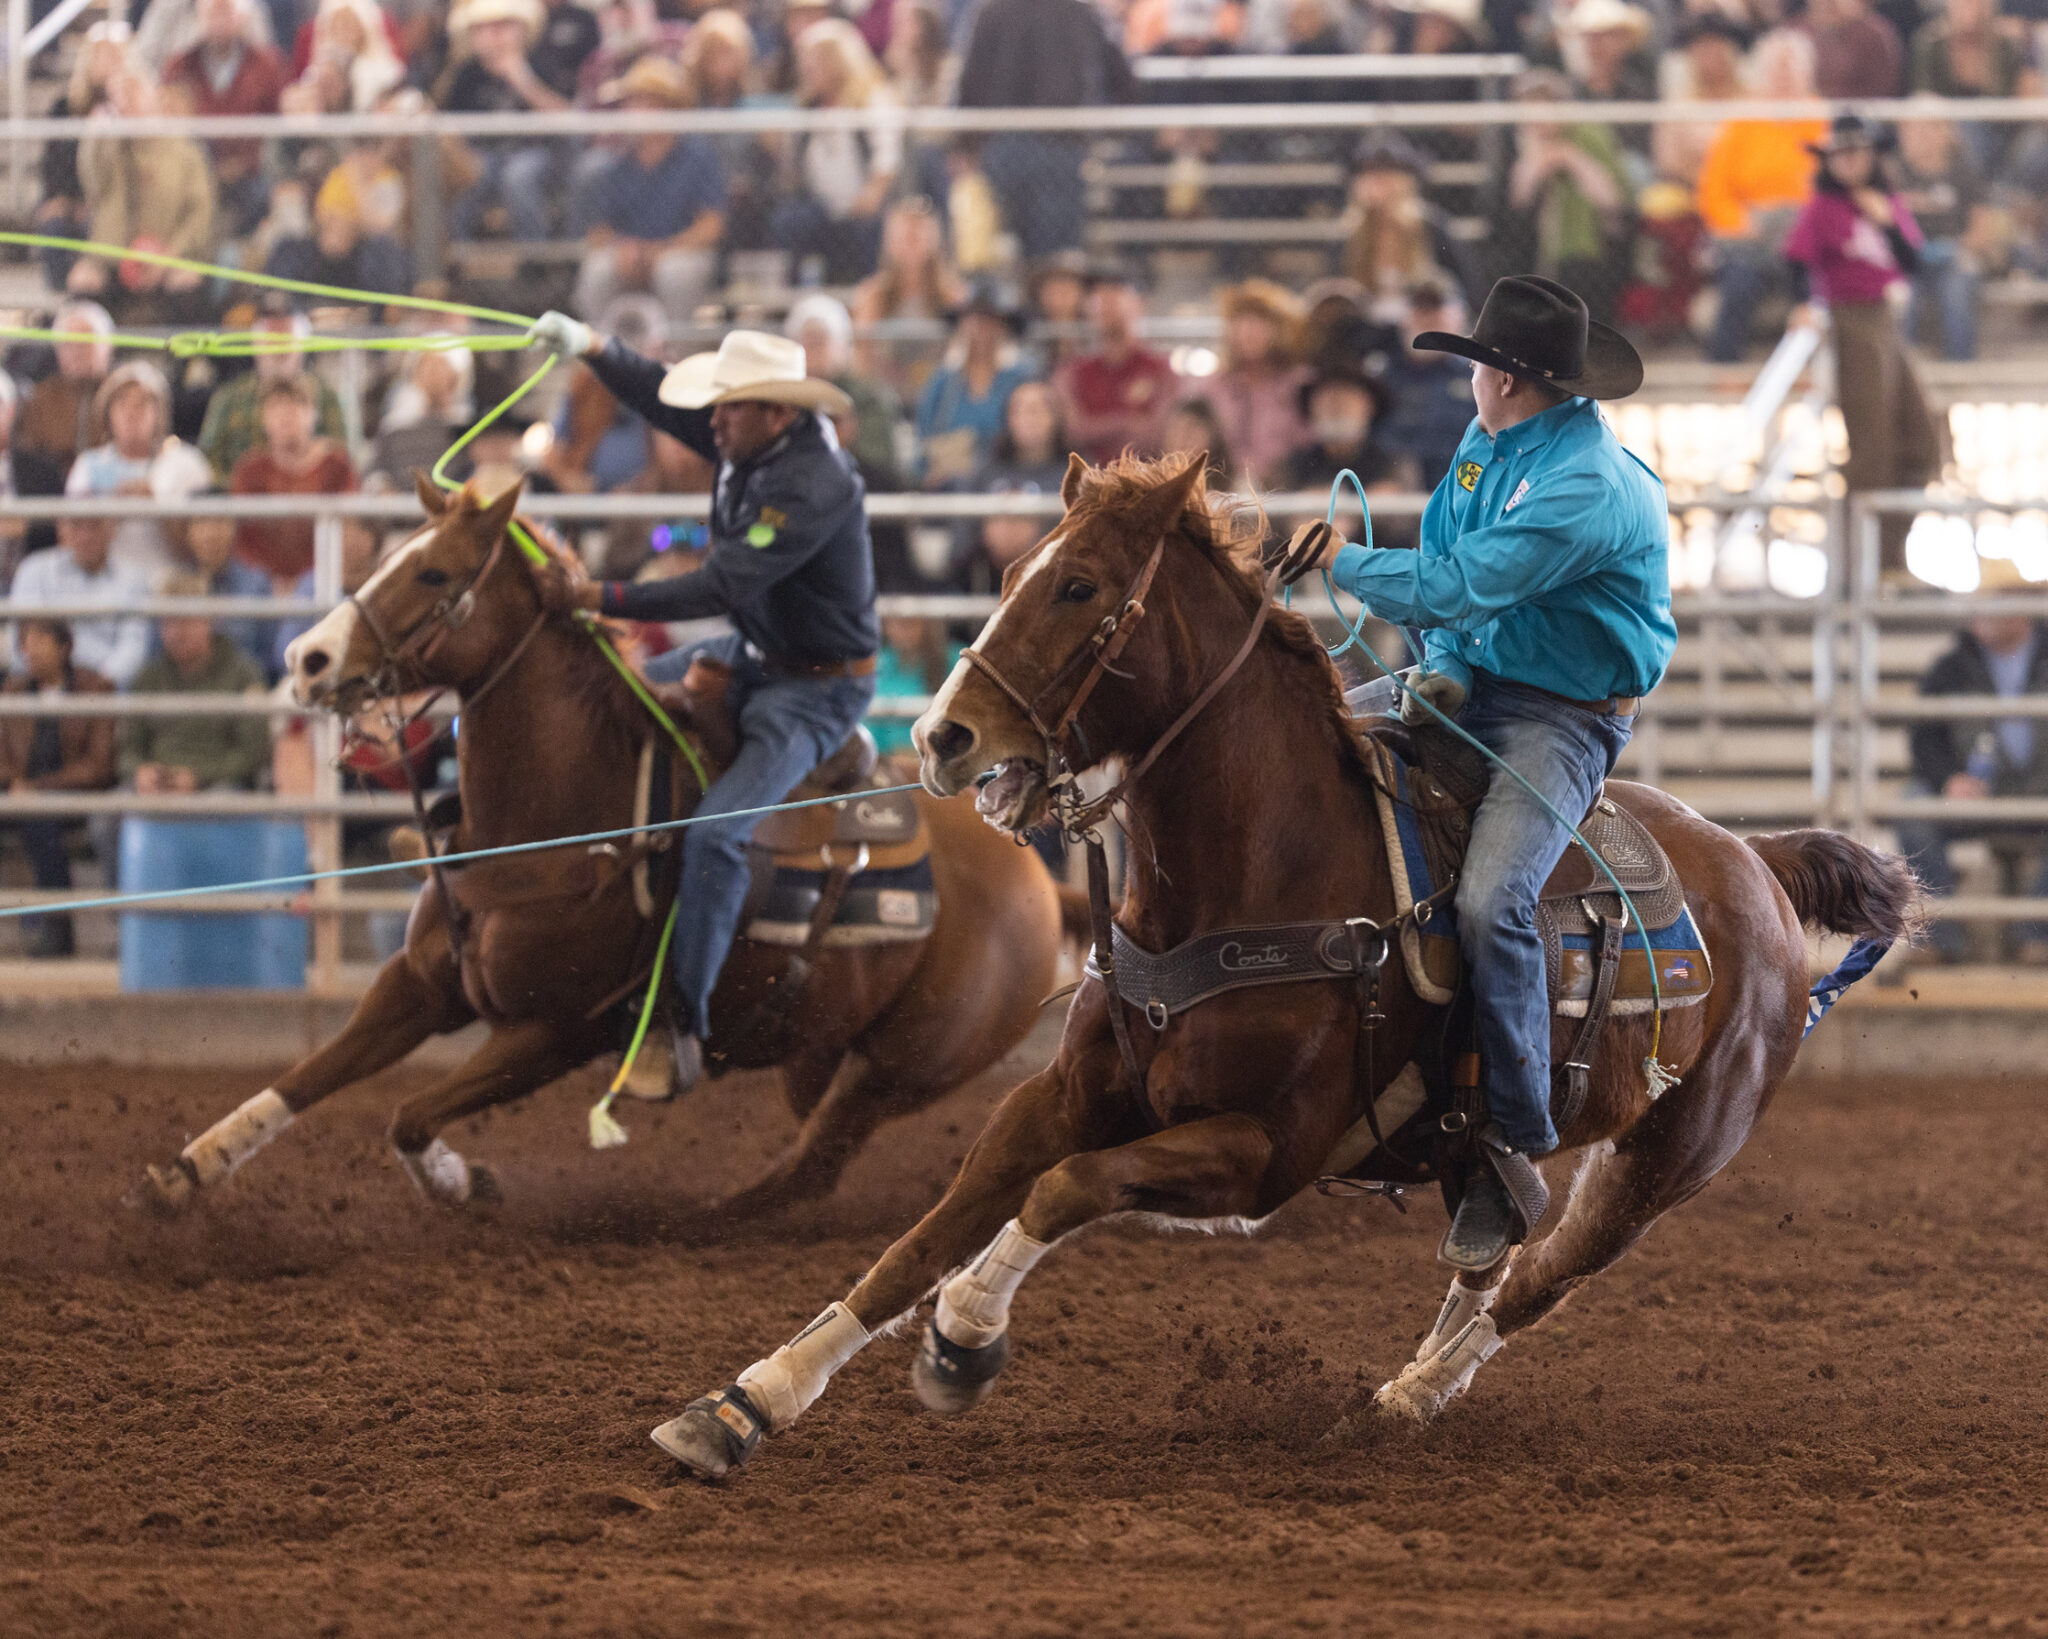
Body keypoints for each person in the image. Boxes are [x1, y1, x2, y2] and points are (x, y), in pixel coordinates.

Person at [1284, 274, 1673, 1271]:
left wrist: (1343, 561)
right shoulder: (1487, 447)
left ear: (1502, 376)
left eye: (1474, 365)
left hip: (1561, 715)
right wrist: (1445, 668)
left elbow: (1460, 579)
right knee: (1305, 756)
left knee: (1496, 896)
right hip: (1478, 682)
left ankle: (1511, 1136)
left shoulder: (1585, 481)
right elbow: (1453, 594)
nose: (1469, 380)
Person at [527, 312, 878, 1091]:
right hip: (754, 656)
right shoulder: (747, 436)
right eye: (715, 406)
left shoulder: (813, 484)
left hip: (815, 690)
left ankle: (680, 1019)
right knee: (611, 700)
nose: (710, 418)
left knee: (718, 833)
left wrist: (596, 594)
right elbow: (659, 397)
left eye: (727, 407)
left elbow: (723, 585)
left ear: (775, 412)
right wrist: (592, 346)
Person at [1785, 116, 1940, 576]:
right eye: (1841, 154)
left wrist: (1887, 221)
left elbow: (1913, 259)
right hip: (1851, 320)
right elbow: (1796, 261)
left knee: (1920, 443)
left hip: (1888, 321)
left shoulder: (1884, 201)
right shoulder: (1822, 210)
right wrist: (1802, 305)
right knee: (1871, 445)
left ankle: (1891, 557)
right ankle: (1858, 566)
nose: (1850, 162)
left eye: (1858, 152)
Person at [1898, 602, 2048, 963]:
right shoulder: (1950, 668)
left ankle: (2038, 935)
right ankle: (1939, 939)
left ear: (2022, 609)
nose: (1985, 610)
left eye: (1998, 599)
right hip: (1973, 791)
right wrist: (1949, 779)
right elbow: (1925, 737)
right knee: (1914, 809)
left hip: (2041, 787)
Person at [955, 0, 1133, 262]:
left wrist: (965, 145)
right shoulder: (1080, 11)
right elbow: (1122, 80)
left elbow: (971, 82)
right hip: (1056, 147)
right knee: (1056, 259)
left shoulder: (993, 10)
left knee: (1004, 254)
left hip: (1013, 148)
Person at [1696, 28, 1827, 361]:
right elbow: (1714, 190)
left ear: (1807, 72)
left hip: (1806, 234)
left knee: (1811, 283)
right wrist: (1741, 223)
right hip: (1750, 235)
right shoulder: (1741, 121)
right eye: (1776, 66)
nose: (1783, 74)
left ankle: (1810, 368)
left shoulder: (1823, 119)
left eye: (1790, 66)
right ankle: (1725, 368)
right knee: (1739, 280)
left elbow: (1836, 185)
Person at [572, 56, 726, 323]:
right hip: (628, 253)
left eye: (645, 102)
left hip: (682, 253)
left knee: (674, 273)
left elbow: (711, 226)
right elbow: (598, 231)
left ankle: (674, 356)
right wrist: (624, 250)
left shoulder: (697, 156)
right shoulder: (612, 162)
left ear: (670, 108)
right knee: (598, 272)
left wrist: (661, 251)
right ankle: (604, 355)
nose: (634, 111)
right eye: (631, 103)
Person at [0, 619, 116, 958]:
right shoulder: (13, 693)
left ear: (64, 646)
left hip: (73, 797)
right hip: (19, 795)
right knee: (33, 813)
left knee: (40, 819)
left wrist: (36, 787)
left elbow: (98, 766)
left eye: (39, 639)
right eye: (24, 641)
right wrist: (14, 783)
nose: (29, 649)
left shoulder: (96, 689)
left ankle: (57, 931)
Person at [70, 70, 217, 317]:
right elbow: (92, 183)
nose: (127, 102)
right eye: (119, 95)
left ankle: (180, 356)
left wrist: (169, 255)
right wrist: (95, 135)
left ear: (155, 98)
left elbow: (200, 213)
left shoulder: (186, 153)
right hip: (112, 256)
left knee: (187, 283)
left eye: (134, 92)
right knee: (83, 281)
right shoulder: (108, 147)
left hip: (169, 256)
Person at [770, 20, 902, 284]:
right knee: (788, 221)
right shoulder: (808, 108)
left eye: (815, 60)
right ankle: (793, 294)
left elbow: (887, 159)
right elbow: (794, 168)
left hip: (864, 211)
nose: (807, 68)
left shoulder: (870, 99)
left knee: (869, 232)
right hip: (822, 210)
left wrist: (869, 197)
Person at [121, 576, 272, 795]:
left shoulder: (244, 675)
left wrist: (199, 777)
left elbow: (253, 754)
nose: (175, 633)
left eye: (184, 621)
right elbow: (127, 750)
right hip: (155, 787)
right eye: (167, 622)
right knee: (107, 815)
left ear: (208, 621)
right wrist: (141, 772)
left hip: (218, 785)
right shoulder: (147, 677)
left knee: (225, 803)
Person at [65, 360, 212, 580]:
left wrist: (158, 511)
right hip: (103, 588)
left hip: (171, 584)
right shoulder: (88, 465)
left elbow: (205, 549)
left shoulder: (187, 463)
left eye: (142, 403)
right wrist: (111, 514)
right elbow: (71, 544)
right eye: (122, 403)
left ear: (159, 411)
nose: (131, 413)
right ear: (108, 413)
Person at [439, 0, 571, 242]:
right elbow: (448, 121)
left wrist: (522, 79)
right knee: (466, 176)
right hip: (484, 154)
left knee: (519, 176)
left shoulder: (542, 62)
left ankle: (535, 260)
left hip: (536, 153)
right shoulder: (467, 73)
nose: (494, 36)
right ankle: (460, 256)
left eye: (503, 27)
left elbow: (565, 116)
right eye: (485, 28)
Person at [163, 0, 288, 235]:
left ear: (240, 19)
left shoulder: (266, 64)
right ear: (200, 20)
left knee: (261, 194)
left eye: (226, 15)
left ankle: (238, 252)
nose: (219, 24)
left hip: (252, 169)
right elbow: (169, 119)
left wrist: (244, 163)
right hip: (197, 166)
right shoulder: (180, 65)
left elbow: (277, 121)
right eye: (212, 15)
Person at [228, 374, 360, 585]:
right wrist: (273, 580)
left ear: (314, 414)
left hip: (322, 575)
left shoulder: (337, 466)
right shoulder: (249, 470)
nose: (285, 415)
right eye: (275, 407)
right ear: (263, 417)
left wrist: (307, 578)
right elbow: (244, 539)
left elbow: (349, 531)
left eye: (296, 404)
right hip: (261, 581)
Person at [197, 309, 349, 479]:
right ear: (257, 341)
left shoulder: (326, 396)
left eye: (285, 335)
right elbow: (208, 460)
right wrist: (241, 490)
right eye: (271, 335)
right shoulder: (229, 397)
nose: (278, 347)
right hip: (240, 498)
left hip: (311, 499)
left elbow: (341, 456)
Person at [1052, 264, 1179, 467]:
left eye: (1114, 293)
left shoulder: (1161, 370)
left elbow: (1158, 435)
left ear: (1139, 304)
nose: (1102, 302)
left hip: (1145, 486)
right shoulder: (1071, 372)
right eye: (1096, 295)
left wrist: (1096, 426)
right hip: (1089, 485)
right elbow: (1072, 432)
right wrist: (1127, 423)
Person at [11, 517, 152, 688]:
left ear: (112, 531)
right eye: (76, 525)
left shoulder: (134, 579)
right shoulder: (34, 570)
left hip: (105, 693)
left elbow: (133, 647)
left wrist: (99, 684)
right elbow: (23, 642)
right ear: (61, 529)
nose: (85, 536)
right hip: (43, 686)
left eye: (95, 526)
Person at [913, 287, 1033, 487]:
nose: (979, 328)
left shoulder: (1021, 378)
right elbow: (925, 439)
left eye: (988, 320)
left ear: (1003, 326)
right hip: (950, 486)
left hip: (1008, 481)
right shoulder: (942, 382)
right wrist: (930, 470)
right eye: (972, 319)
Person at [1197, 280, 1310, 490]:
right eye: (1240, 321)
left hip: (1285, 492)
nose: (1248, 330)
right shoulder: (1211, 388)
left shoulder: (1298, 384)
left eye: (1258, 321)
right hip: (1220, 491)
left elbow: (1307, 445)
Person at [785, 293, 902, 478]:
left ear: (843, 345)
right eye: (807, 340)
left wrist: (847, 443)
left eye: (821, 340)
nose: (813, 350)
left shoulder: (868, 398)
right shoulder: (781, 399)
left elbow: (883, 466)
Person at [1378, 280, 1478, 491]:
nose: (1426, 317)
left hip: (1463, 488)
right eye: (1419, 308)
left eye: (1435, 308)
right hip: (1394, 494)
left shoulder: (1478, 376)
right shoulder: (1382, 376)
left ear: (1458, 314)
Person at [1273, 366, 1409, 495]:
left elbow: (1412, 514)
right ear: (1311, 408)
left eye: (1348, 399)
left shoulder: (1394, 467)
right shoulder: (1289, 469)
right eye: (1327, 399)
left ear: (1370, 407)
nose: (1336, 407)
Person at [1807, 0, 1904, 99]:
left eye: (1832, 3)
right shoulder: (1811, 33)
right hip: (1818, 108)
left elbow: (1881, 88)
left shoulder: (1874, 36)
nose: (1826, 5)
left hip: (1863, 109)